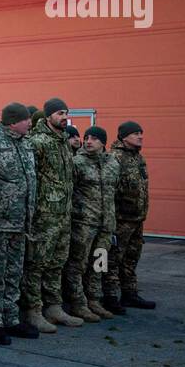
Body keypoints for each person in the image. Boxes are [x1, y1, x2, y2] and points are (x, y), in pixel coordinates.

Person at [0, 102, 38, 344]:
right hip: (1, 222)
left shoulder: (26, 143)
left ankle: (12, 317)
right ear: (14, 120)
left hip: (21, 221)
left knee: (14, 272)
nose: (30, 122)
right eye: (26, 119)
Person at [22, 97, 81, 333]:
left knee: (57, 263)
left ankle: (54, 307)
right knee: (37, 264)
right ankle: (33, 311)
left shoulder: (63, 142)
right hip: (44, 216)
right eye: (59, 113)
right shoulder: (38, 142)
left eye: (66, 112)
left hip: (63, 215)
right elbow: (30, 178)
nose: (64, 117)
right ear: (47, 117)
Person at [65, 125, 119, 323]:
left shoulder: (112, 163)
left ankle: (94, 299)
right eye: (86, 137)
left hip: (106, 224)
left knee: (99, 262)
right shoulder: (77, 163)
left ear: (103, 142)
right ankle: (78, 303)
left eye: (94, 138)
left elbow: (115, 191)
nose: (88, 141)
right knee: (78, 263)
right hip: (84, 223)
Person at [107, 120, 156, 310]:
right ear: (124, 136)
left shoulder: (138, 158)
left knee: (131, 258)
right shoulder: (115, 158)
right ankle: (110, 297)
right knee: (113, 259)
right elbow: (110, 189)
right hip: (121, 219)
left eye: (141, 133)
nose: (140, 136)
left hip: (137, 218)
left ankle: (130, 294)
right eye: (136, 133)